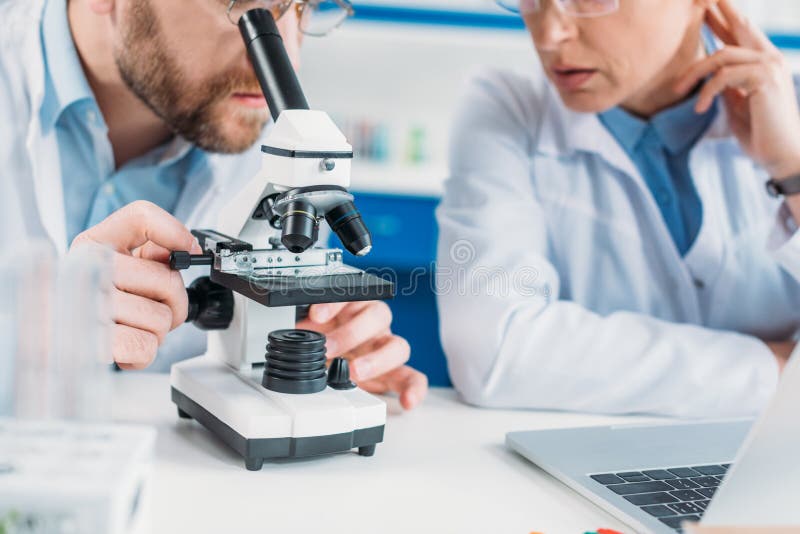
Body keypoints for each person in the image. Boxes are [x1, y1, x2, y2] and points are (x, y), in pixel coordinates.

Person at [0, 0, 427, 409]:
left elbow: (289, 293)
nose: (289, 59)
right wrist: (26, 334)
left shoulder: (258, 127)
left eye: (306, 5)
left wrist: (323, 346)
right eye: (244, 4)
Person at [437, 0, 800, 417]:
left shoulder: (790, 106)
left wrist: (791, 169)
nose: (549, 34)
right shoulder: (509, 108)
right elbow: (493, 351)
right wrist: (776, 371)